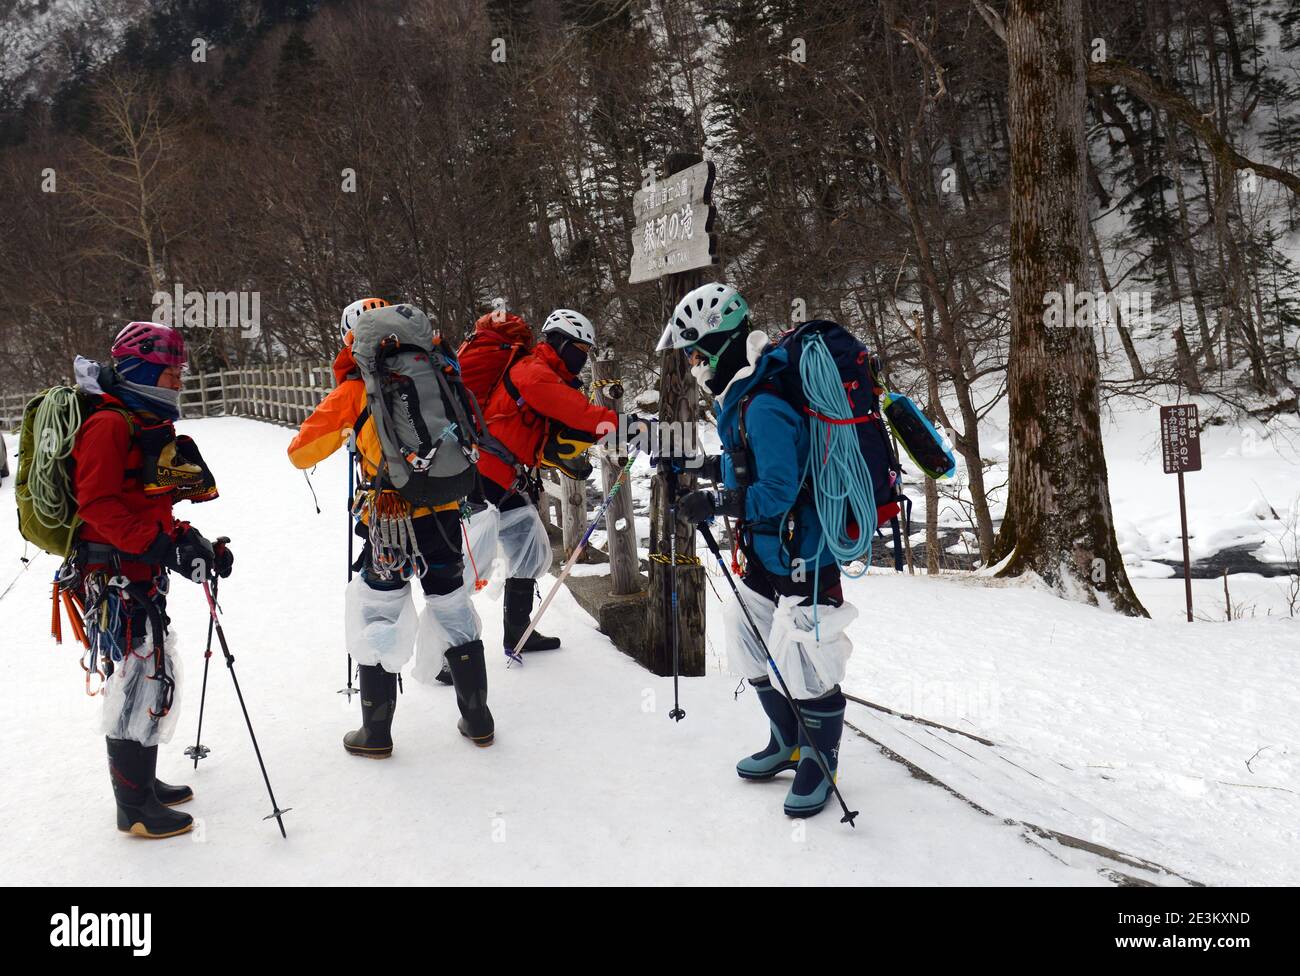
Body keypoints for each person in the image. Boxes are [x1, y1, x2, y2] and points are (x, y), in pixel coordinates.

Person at [657, 283, 856, 818]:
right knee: (745, 629)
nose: (696, 366)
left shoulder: (764, 402)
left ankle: (822, 756)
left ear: (722, 344)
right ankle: (787, 737)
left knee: (805, 651)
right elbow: (748, 467)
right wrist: (700, 469)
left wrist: (716, 500)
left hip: (800, 551)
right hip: (765, 550)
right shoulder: (744, 397)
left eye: (699, 353)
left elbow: (777, 489)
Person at [287, 298, 490, 754]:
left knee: (378, 614)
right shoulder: (435, 373)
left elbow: (300, 452)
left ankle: (376, 733)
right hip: (441, 509)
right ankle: (478, 719)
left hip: (388, 520)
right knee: (452, 605)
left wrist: (350, 432)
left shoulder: (354, 391)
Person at [71, 321, 233, 838]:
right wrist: (158, 545)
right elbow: (96, 505)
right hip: (113, 575)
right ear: (142, 371)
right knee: (135, 677)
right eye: (170, 374)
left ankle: (143, 783)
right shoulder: (110, 426)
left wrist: (189, 540)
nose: (178, 383)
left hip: (138, 568)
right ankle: (134, 807)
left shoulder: (142, 422)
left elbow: (147, 501)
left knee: (147, 674)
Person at [474, 309, 622, 655]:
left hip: (504, 477)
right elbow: (582, 415)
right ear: (561, 343)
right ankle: (450, 654)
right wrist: (635, 428)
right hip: (482, 478)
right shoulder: (534, 373)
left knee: (530, 548)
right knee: (462, 569)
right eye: (581, 351)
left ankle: (518, 634)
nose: (583, 359)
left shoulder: (544, 374)